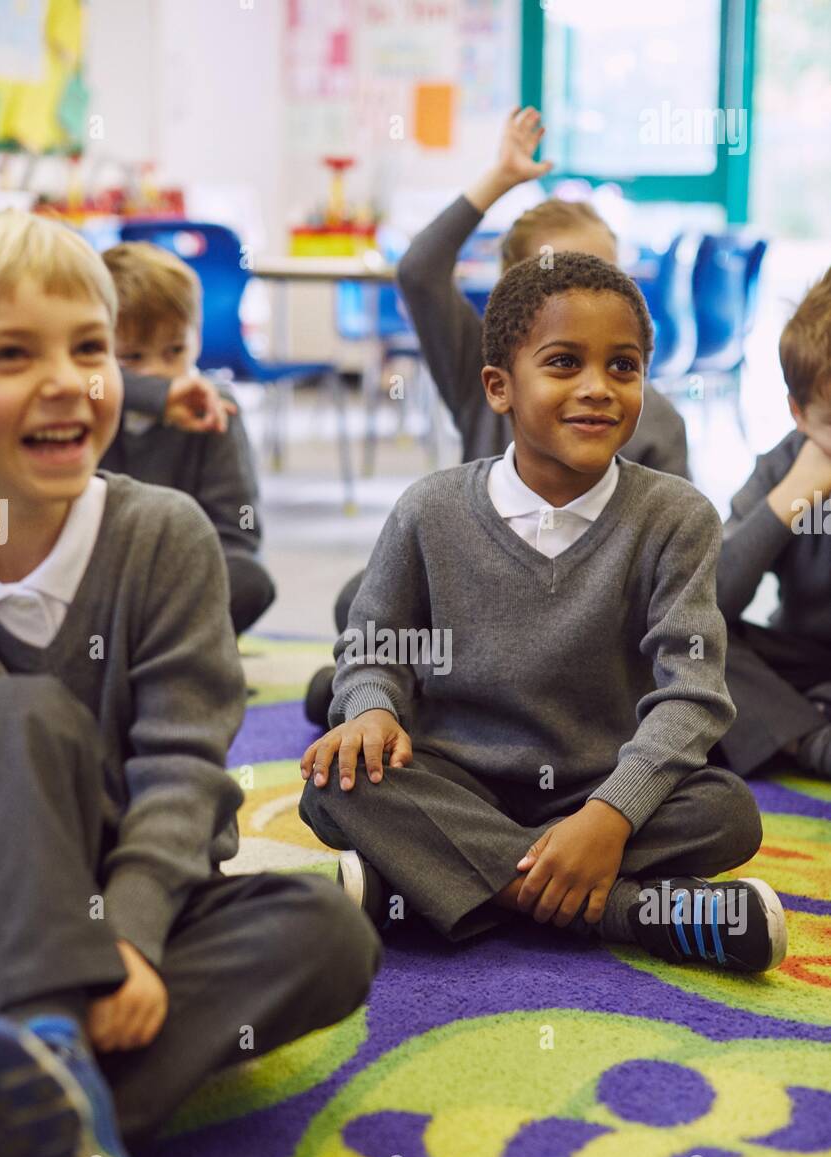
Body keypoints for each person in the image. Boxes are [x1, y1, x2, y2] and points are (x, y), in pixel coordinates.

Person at [0, 210, 380, 1157]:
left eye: (89, 349)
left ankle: (25, 1090)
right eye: (11, 354)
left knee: (326, 931)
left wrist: (132, 932)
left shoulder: (162, 535)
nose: (67, 380)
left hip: (138, 896)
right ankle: (48, 1073)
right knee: (18, 717)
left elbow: (183, 764)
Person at [299, 252, 786, 976]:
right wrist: (371, 709)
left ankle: (420, 887)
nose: (597, 388)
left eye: (623, 367)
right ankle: (630, 912)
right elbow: (373, 647)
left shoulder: (677, 516)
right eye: (564, 363)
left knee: (726, 812)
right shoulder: (429, 510)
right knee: (338, 787)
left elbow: (693, 696)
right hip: (457, 775)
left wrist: (610, 816)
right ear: (499, 387)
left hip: (601, 783)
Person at [304, 106, 689, 725]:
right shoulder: (480, 368)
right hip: (474, 617)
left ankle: (395, 693)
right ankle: (389, 692)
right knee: (365, 597)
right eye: (558, 278)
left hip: (584, 636)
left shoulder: (653, 417)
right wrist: (499, 178)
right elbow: (419, 270)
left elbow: (676, 574)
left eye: (603, 277)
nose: (583, 299)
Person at [101, 240, 275, 635]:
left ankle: (165, 650)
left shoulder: (216, 409)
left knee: (249, 579)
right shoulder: (88, 402)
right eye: (132, 358)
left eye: (175, 350)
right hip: (105, 582)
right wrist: (158, 398)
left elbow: (238, 535)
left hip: (183, 579)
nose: (161, 372)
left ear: (197, 336)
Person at [716, 267, 831, 777]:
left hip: (805, 693)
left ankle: (791, 731)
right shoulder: (782, 469)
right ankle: (807, 740)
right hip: (798, 665)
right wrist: (787, 503)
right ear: (799, 415)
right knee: (688, 644)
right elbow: (704, 601)